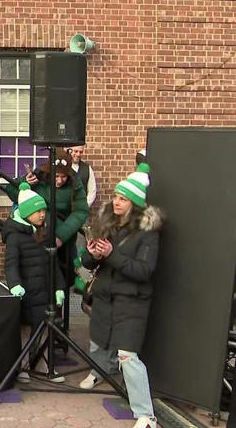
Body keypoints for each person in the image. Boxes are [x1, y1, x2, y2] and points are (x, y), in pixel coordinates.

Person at [78, 163, 162, 428]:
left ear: (134, 204)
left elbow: (144, 270)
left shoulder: (148, 233)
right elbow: (88, 263)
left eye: (123, 199)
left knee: (128, 355)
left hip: (132, 300)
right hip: (105, 297)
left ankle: (145, 414)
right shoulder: (106, 223)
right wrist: (91, 255)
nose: (116, 201)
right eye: (116, 196)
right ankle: (98, 372)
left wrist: (111, 255)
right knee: (98, 341)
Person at [3, 182, 66, 383]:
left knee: (46, 330)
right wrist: (14, 284)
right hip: (27, 293)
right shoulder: (14, 236)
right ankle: (23, 367)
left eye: (43, 211)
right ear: (26, 212)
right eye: (37, 211)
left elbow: (53, 263)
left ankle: (45, 366)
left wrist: (59, 287)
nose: (42, 215)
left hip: (45, 292)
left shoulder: (45, 233)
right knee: (25, 333)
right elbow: (11, 263)